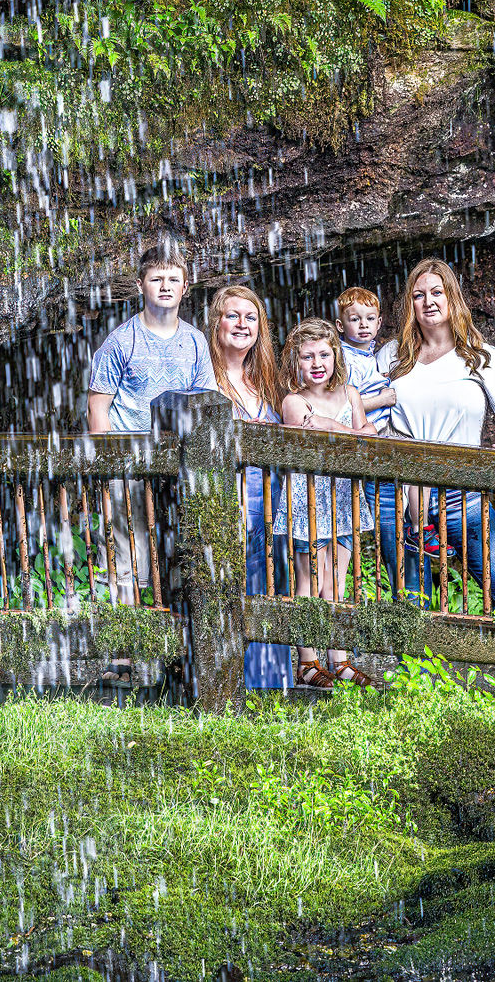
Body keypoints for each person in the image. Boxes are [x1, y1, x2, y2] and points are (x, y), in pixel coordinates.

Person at [376, 258, 495, 617]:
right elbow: (360, 407)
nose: (428, 301)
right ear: (410, 304)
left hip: (462, 496)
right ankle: (416, 673)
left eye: (437, 292)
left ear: (452, 298)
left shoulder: (480, 356)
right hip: (403, 498)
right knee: (412, 605)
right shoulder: (391, 356)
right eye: (419, 295)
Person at [86, 242, 216, 683]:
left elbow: (205, 400)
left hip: (178, 468)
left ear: (185, 287)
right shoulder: (122, 339)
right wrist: (105, 463)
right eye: (156, 278)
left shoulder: (196, 341)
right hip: (129, 465)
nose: (165, 286)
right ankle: (123, 654)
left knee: (179, 554)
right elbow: (98, 404)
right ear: (140, 284)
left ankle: (178, 654)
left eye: (173, 279)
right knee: (127, 555)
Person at [271, 318, 377, 688]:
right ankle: (307, 661)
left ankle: (340, 659)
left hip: (344, 495)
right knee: (309, 581)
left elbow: (369, 436)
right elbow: (327, 434)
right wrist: (354, 434)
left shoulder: (350, 394)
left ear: (336, 356)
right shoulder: (293, 401)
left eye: (323, 354)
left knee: (336, 582)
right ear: (295, 363)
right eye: (307, 357)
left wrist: (334, 427)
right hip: (309, 498)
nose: (316, 363)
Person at [206, 284, 293, 689]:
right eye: (232, 315)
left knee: (270, 583)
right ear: (216, 323)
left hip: (270, 505)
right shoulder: (204, 374)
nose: (242, 324)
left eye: (250, 317)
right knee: (224, 586)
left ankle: (269, 682)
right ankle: (224, 683)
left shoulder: (269, 381)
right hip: (225, 500)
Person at [336, 286, 443, 558]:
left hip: (382, 428)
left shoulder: (368, 353)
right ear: (340, 324)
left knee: (421, 459)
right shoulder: (345, 359)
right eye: (354, 319)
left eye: (370, 319)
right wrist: (383, 399)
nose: (363, 325)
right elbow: (347, 403)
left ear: (379, 322)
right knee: (419, 461)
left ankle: (418, 525)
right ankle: (419, 529)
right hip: (368, 431)